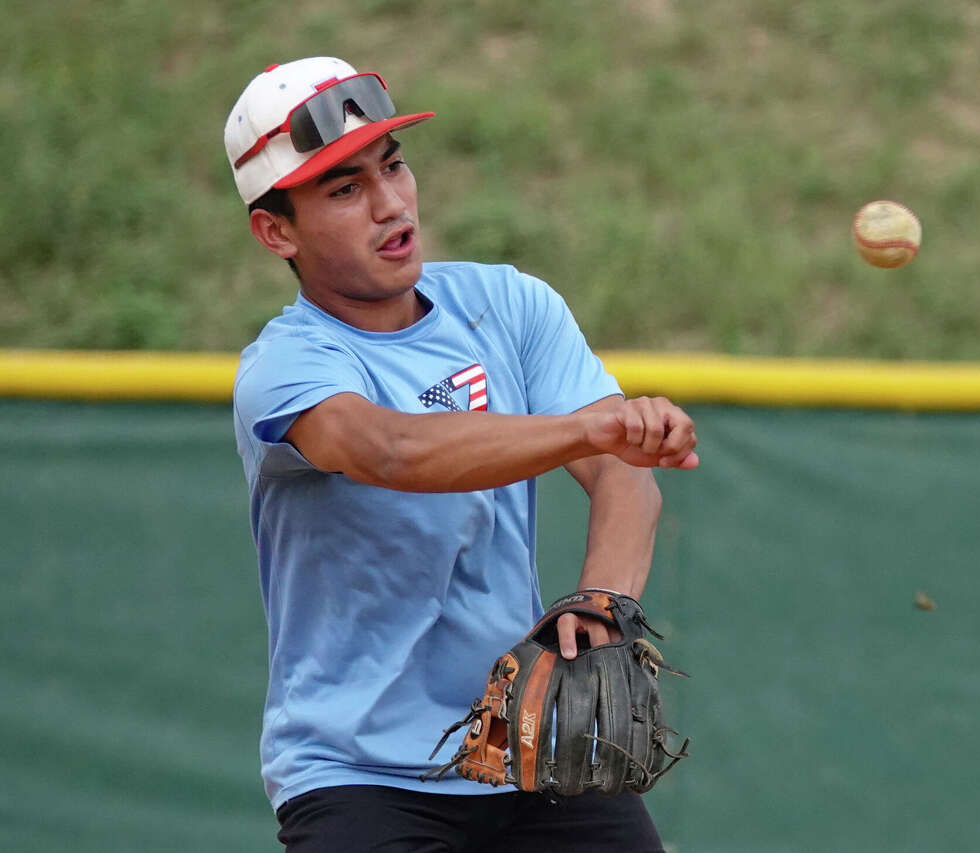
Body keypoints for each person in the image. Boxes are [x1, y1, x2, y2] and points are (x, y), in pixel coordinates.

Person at [224, 56, 699, 852]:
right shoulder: (286, 365)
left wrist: (603, 600)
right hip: (359, 776)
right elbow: (392, 449)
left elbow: (624, 471)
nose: (389, 202)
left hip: (524, 750)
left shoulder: (506, 303)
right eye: (344, 190)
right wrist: (591, 429)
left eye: (393, 165)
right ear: (277, 231)